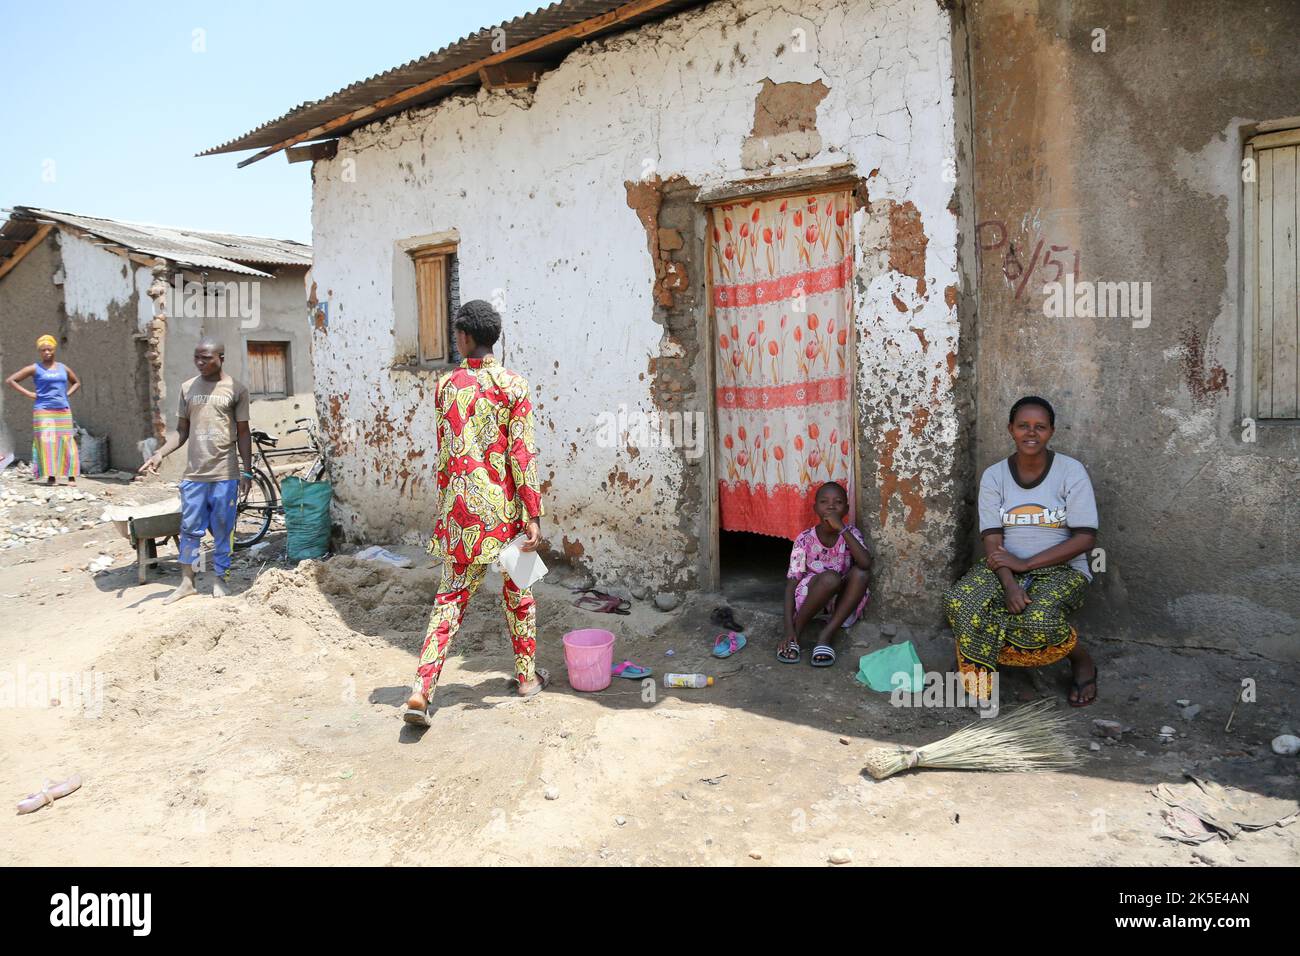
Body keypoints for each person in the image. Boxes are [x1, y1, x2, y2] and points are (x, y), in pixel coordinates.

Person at [403, 300, 546, 727]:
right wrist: (533, 513)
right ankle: (526, 680)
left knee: (448, 602)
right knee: (519, 594)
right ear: (493, 337)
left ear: (464, 336)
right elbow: (522, 454)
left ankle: (421, 691)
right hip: (505, 515)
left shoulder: (446, 385)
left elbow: (446, 454)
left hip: (461, 516)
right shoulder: (514, 385)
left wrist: (450, 510)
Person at [944, 395, 1099, 706]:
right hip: (1004, 565)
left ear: (1052, 431)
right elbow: (992, 539)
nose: (1031, 433)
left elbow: (1084, 539)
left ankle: (1081, 659)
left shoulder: (1071, 471)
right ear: (1010, 429)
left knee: (1037, 621)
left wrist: (1026, 564)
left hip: (1063, 567)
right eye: (1023, 426)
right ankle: (982, 674)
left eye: (1040, 427)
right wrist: (1010, 581)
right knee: (960, 601)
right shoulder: (995, 475)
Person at [138, 338, 252, 603]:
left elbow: (243, 432)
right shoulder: (187, 388)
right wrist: (160, 454)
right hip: (194, 475)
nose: (200, 363)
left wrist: (247, 471)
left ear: (220, 358)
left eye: (206, 358)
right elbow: (181, 431)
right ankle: (188, 582)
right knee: (190, 528)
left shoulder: (237, 389)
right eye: (197, 358)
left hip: (225, 472)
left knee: (223, 529)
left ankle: (220, 579)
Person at [777, 481, 872, 667]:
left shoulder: (851, 533)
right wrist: (788, 628)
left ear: (846, 508)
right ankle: (796, 632)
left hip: (838, 602)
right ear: (815, 508)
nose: (830, 506)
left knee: (861, 574)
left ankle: (826, 635)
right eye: (824, 501)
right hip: (811, 596)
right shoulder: (804, 538)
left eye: (837, 502)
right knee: (830, 578)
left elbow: (866, 563)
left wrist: (842, 529)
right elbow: (791, 584)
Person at [5, 335, 81, 485]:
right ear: (39, 352)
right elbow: (11, 380)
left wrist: (66, 394)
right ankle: (51, 476)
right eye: (43, 350)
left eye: (49, 349)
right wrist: (30, 394)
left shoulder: (62, 368)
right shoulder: (35, 368)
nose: (47, 352)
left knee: (67, 441)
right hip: (43, 410)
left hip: (62, 410)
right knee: (48, 442)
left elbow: (76, 382)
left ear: (54, 350)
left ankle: (70, 475)